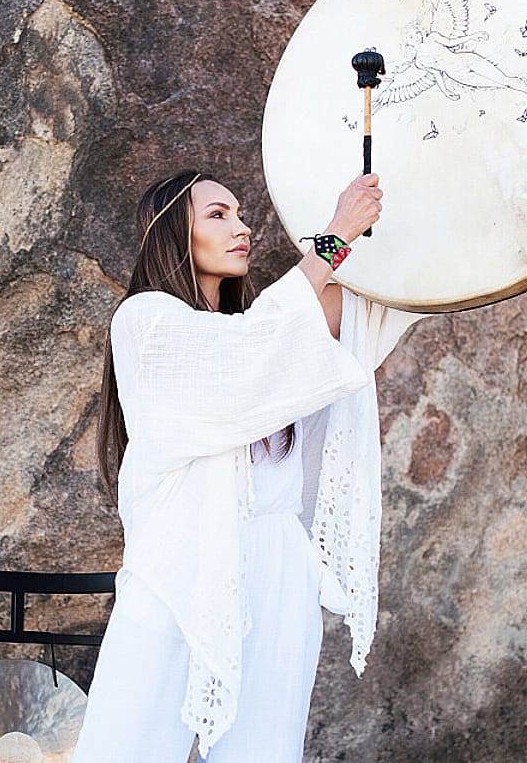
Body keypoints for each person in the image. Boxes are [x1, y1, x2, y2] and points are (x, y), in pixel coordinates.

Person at [70, 170, 420, 762]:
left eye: (239, 213)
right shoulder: (145, 321)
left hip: (278, 563)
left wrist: (395, 218)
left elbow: (360, 313)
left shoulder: (263, 332)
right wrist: (334, 234)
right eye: (218, 215)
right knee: (125, 746)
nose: (243, 228)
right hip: (180, 562)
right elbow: (242, 355)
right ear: (171, 234)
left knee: (263, 750)